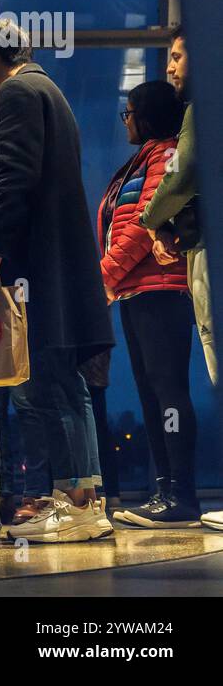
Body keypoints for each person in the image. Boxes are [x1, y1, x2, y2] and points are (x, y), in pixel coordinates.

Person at [0, 19, 115, 543]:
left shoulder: (19, 91)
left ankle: (76, 507)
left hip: (38, 266)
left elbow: (14, 175)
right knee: (66, 383)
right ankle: (85, 500)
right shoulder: (49, 89)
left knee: (48, 385)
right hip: (63, 265)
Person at [99, 80, 199, 527]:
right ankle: (165, 491)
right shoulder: (143, 158)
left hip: (161, 287)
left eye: (129, 112)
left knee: (168, 391)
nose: (125, 121)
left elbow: (144, 225)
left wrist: (103, 276)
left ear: (146, 115)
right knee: (152, 393)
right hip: (137, 290)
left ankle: (182, 494)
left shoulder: (164, 155)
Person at [140, 27, 216, 386]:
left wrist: (152, 221)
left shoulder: (201, 109)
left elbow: (181, 177)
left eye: (177, 57)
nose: (170, 69)